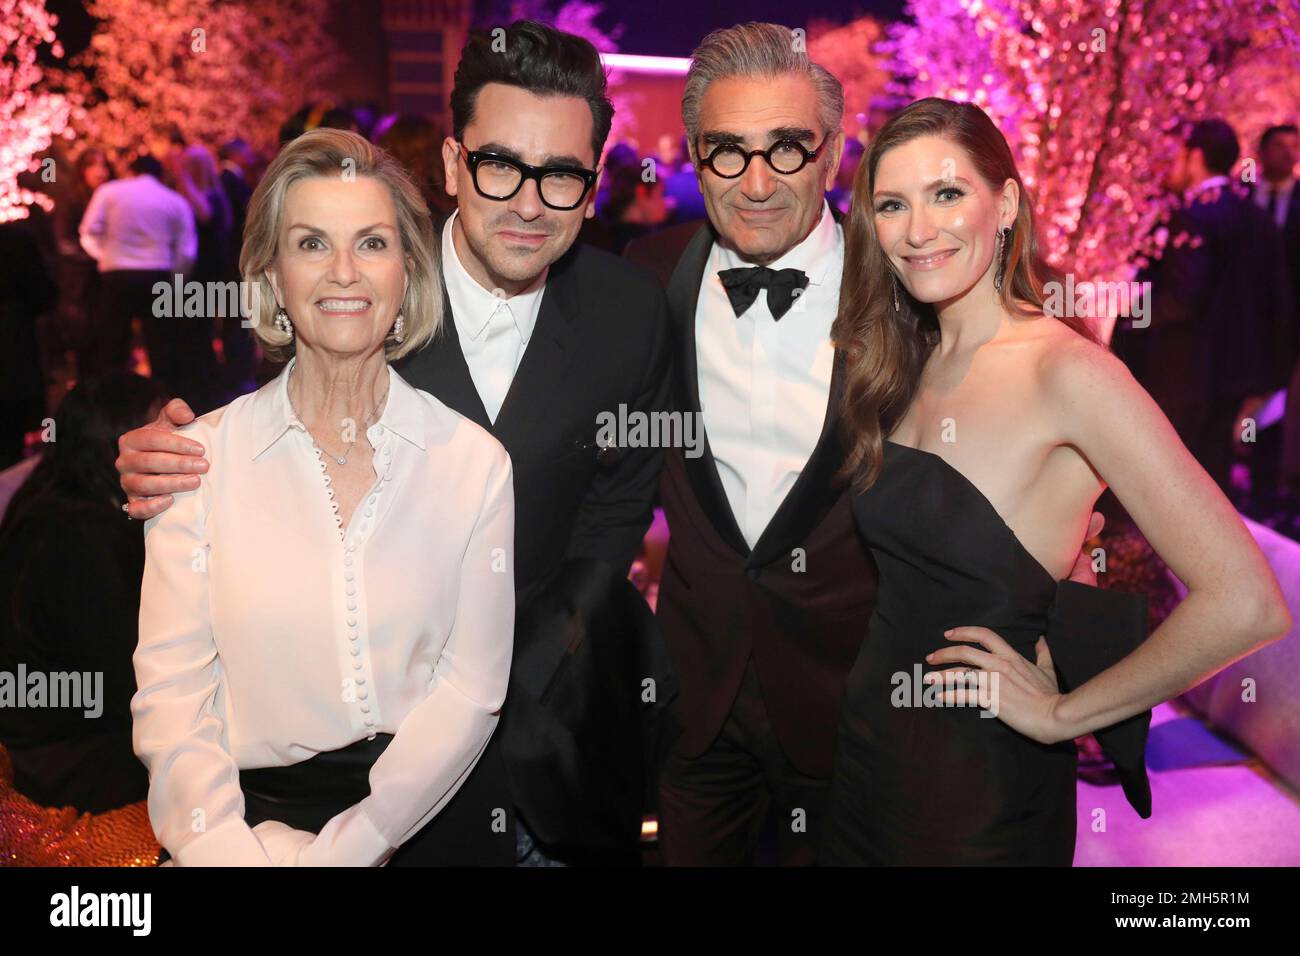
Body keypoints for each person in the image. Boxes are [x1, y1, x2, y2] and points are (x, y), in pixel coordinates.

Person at [116, 21, 673, 867]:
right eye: (500, 165)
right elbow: (267, 432)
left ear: (594, 188)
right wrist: (159, 450)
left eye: (561, 175)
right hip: (317, 779)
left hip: (549, 736)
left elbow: (620, 507)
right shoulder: (362, 297)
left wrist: (493, 679)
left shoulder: (629, 312)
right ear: (452, 165)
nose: (528, 202)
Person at [624, 22, 1147, 866]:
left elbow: (1061, 502)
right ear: (692, 155)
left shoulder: (918, 298)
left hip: (866, 712)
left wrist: (1060, 645)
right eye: (727, 151)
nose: (757, 181)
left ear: (832, 156)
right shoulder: (648, 275)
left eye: (788, 148)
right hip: (698, 703)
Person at [819, 97, 1290, 865]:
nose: (917, 229)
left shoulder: (1070, 374)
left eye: (947, 194)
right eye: (892, 204)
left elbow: (1247, 601)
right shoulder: (901, 362)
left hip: (979, 793)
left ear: (1004, 204)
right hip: (869, 755)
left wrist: (1066, 713)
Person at [131, 128, 515, 866]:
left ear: (408, 270)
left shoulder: (473, 465)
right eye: (311, 244)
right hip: (238, 836)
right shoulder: (196, 463)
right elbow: (172, 700)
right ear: (272, 276)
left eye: (371, 244)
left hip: (425, 829)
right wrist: (222, 852)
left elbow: (470, 692)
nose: (344, 272)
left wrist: (354, 845)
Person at [0, 372, 165, 814]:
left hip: (64, 731)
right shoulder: (81, 536)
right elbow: (125, 686)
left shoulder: (53, 491)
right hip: (61, 763)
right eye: (158, 436)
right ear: (115, 447)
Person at [1114, 118, 1295, 494]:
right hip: (1235, 373)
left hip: (1185, 369)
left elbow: (1184, 297)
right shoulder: (1256, 217)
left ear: (1194, 157)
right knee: (1212, 477)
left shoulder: (1192, 215)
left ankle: (1153, 552)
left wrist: (1130, 322)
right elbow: (1278, 297)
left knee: (1169, 479)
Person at [78, 154, 198, 383]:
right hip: (157, 273)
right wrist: (177, 278)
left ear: (130, 171)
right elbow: (187, 249)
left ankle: (112, 400)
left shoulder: (109, 192)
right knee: (161, 346)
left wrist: (105, 256)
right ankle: (163, 400)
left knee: (113, 343)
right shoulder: (173, 200)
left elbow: (87, 232)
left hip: (116, 274)